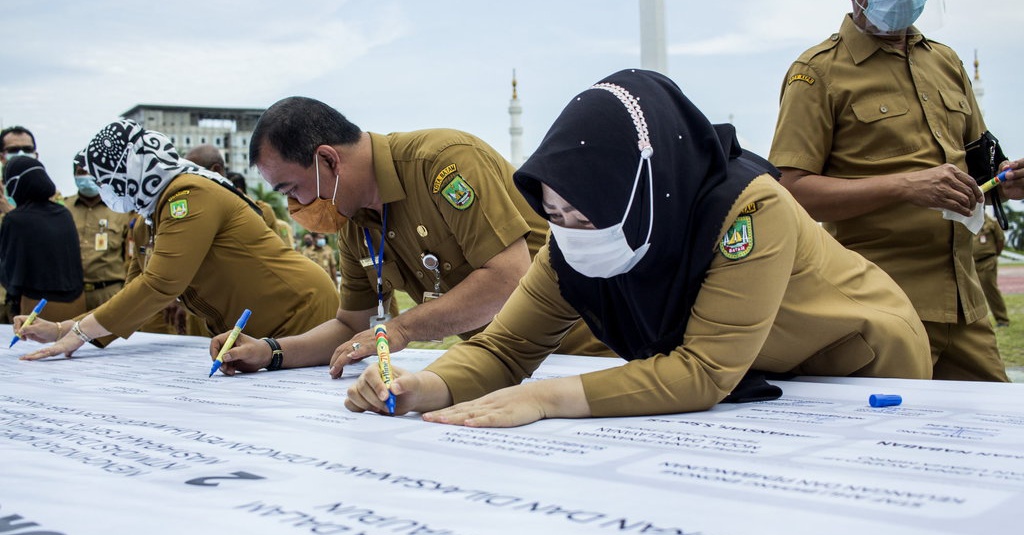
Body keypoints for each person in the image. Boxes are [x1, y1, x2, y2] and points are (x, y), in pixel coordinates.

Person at [343, 69, 933, 426]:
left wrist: (543, 399)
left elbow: (702, 371)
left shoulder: (750, 211)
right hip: (762, 378)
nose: (570, 231)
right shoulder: (576, 240)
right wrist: (425, 386)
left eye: (583, 213)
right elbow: (506, 347)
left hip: (857, 366)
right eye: (554, 213)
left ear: (647, 193)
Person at [214, 96, 610, 376]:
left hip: (589, 355)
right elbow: (354, 325)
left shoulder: (443, 163)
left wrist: (401, 329)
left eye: (291, 189)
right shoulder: (353, 223)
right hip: (510, 367)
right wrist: (270, 351)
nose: (296, 207)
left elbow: (509, 280)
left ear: (327, 160)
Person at [768, 0, 1024, 381]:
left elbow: (976, 174)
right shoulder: (817, 72)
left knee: (995, 433)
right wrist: (904, 186)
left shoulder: (946, 62)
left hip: (964, 306)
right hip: (883, 307)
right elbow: (790, 191)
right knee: (890, 433)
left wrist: (1006, 182)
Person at [14, 119, 339, 370]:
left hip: (298, 312)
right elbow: (133, 294)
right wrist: (61, 329)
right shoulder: (148, 219)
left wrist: (80, 334)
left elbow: (161, 283)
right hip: (253, 330)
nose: (104, 192)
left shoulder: (189, 195)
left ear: (131, 170)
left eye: (107, 181)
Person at [0, 156, 86, 323]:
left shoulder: (15, 219)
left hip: (35, 309)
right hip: (76, 306)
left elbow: (10, 274)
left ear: (15, 183)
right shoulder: (63, 213)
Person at [67, 163, 132, 310]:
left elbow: (130, 255)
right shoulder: (62, 208)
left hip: (109, 293)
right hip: (72, 295)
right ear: (74, 175)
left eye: (90, 172)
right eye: (81, 172)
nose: (86, 176)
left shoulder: (120, 208)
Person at [0, 126, 40, 321]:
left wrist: (14, 216)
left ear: (36, 154)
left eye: (27, 149)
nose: (22, 154)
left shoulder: (51, 199)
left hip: (28, 300)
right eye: (14, 150)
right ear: (1, 157)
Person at [974, 213, 1010, 327]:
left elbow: (1000, 241)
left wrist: (994, 255)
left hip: (988, 261)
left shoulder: (992, 223)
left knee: (991, 291)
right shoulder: (969, 222)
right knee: (971, 293)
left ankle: (1002, 319)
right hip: (972, 262)